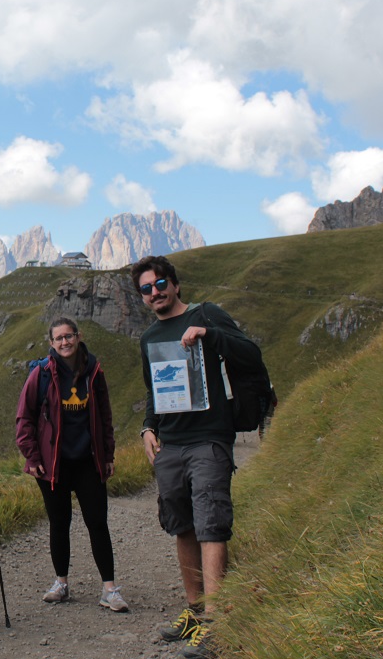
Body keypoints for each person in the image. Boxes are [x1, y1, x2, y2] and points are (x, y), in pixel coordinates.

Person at [131, 255, 264, 659]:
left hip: (209, 439)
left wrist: (209, 334)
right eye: (146, 288)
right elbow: (155, 391)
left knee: (211, 523)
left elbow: (250, 354)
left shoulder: (207, 314)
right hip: (170, 443)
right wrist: (148, 428)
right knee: (182, 524)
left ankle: (218, 626)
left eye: (160, 284)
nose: (155, 293)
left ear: (174, 284)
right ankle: (194, 611)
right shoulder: (150, 338)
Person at [15, 317, 129, 612]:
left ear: (78, 337)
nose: (65, 342)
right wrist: (32, 456)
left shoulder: (94, 371)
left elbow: (105, 416)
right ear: (51, 343)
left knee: (97, 522)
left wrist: (108, 456)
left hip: (88, 462)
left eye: (69, 336)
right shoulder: (40, 374)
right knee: (59, 523)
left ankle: (110, 589)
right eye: (59, 338)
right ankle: (61, 583)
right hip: (53, 465)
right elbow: (24, 418)